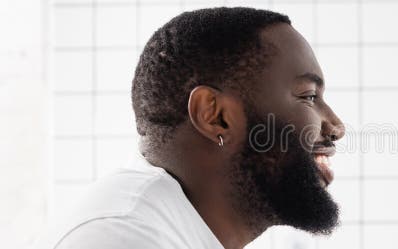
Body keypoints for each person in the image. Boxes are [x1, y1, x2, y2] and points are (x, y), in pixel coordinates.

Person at [37, 7, 345, 249]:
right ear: (215, 117)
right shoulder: (123, 238)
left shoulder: (169, 228)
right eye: (308, 96)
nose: (336, 127)